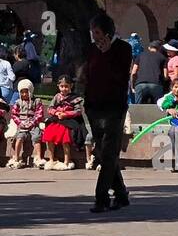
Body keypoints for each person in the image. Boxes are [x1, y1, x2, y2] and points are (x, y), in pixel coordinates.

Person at [83, 11, 133, 212]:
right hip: (94, 106)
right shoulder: (91, 50)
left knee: (110, 152)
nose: (95, 36)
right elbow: (88, 74)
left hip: (114, 106)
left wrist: (108, 53)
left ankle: (101, 197)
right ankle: (121, 194)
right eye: (92, 32)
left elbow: (121, 76)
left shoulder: (123, 48)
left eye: (97, 32)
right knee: (103, 152)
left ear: (107, 31)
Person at [42, 74, 84, 170]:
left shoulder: (76, 98)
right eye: (62, 86)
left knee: (65, 137)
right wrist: (56, 113)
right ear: (58, 86)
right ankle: (51, 159)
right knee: (49, 133)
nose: (64, 89)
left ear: (71, 86)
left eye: (66, 86)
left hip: (69, 120)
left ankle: (67, 160)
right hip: (57, 118)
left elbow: (78, 111)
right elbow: (50, 108)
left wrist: (66, 114)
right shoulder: (57, 97)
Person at [8, 78, 45, 168]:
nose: (24, 94)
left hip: (33, 124)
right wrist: (20, 123)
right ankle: (16, 157)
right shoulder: (18, 103)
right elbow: (14, 115)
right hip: (22, 124)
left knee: (36, 137)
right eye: (22, 92)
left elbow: (39, 114)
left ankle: (38, 158)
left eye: (26, 92)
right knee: (19, 138)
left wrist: (32, 122)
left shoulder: (36, 101)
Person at [132, 40, 168, 106]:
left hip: (140, 84)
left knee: (138, 108)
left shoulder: (140, 55)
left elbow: (134, 72)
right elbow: (166, 76)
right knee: (158, 107)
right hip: (156, 84)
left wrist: (133, 86)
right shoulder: (163, 57)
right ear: (159, 48)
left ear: (149, 48)